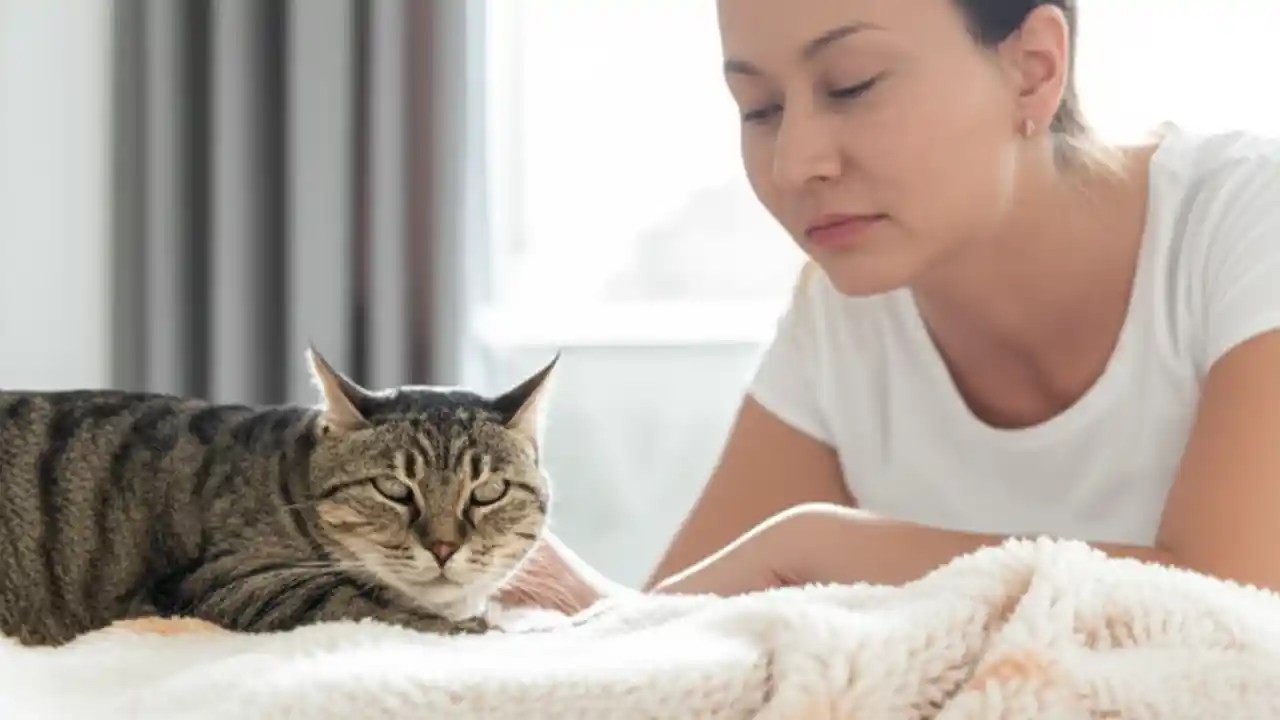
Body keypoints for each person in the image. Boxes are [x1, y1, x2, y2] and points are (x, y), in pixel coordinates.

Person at [499, 0, 1280, 613]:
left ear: (1035, 69)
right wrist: (549, 592)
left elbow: (1236, 606)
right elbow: (667, 646)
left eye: (853, 85)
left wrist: (817, 547)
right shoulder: (848, 316)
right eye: (759, 107)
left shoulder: (1244, 225)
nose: (796, 161)